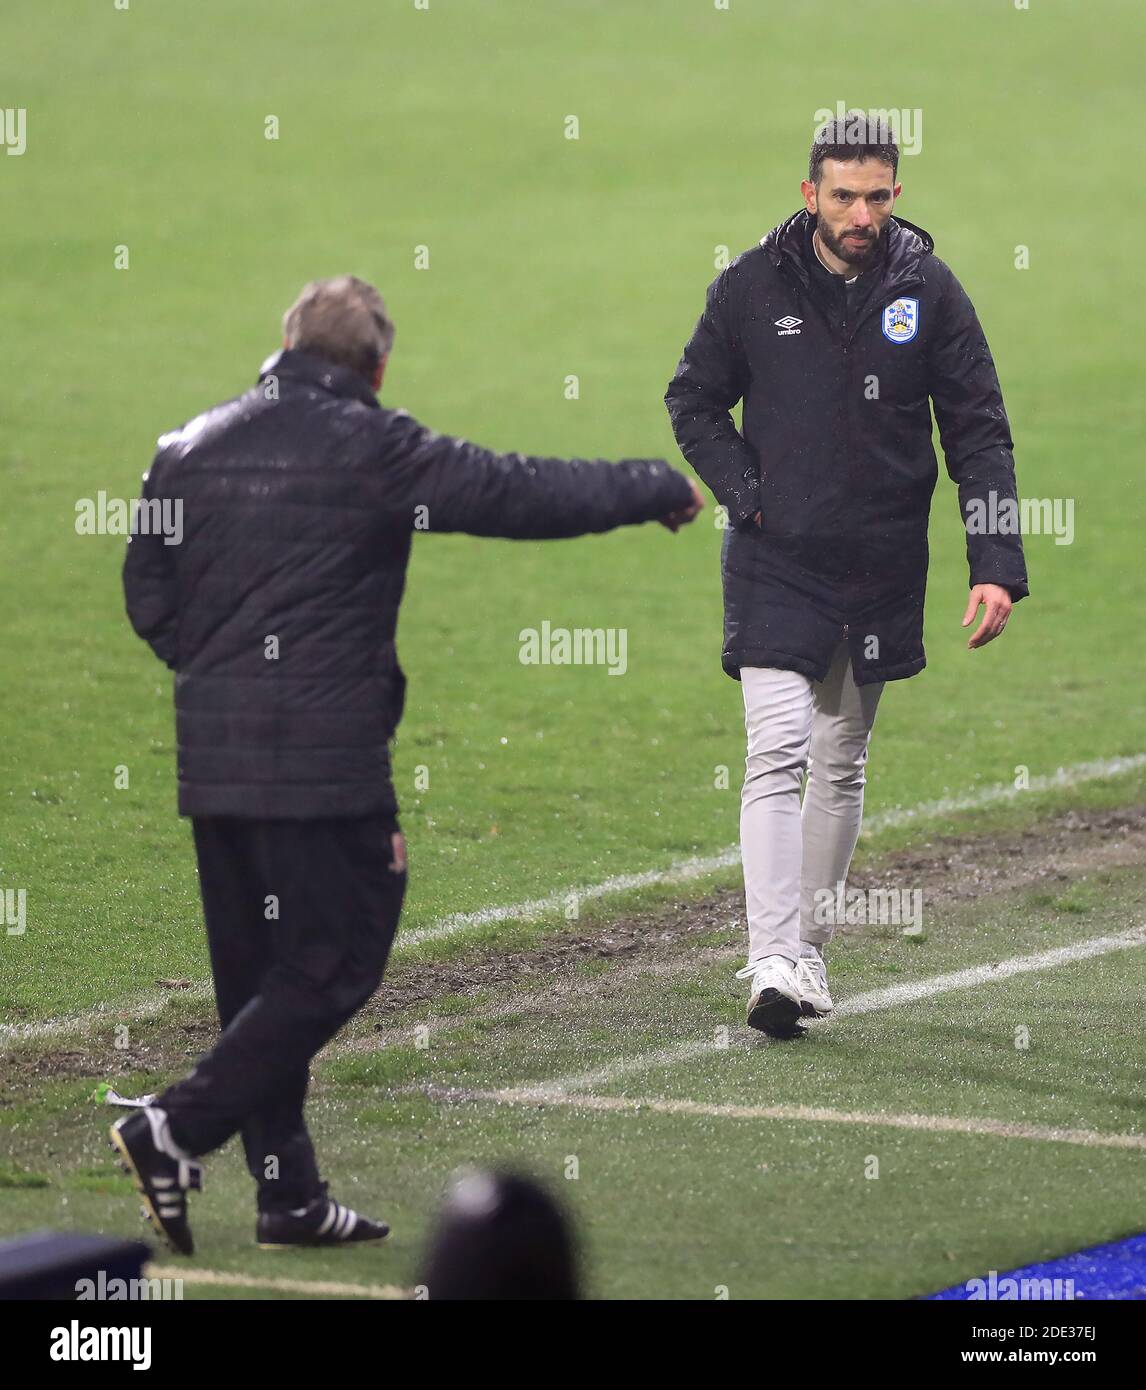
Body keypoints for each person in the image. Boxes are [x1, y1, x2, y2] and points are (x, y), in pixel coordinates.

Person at [113, 275, 702, 1254]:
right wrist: (650, 485)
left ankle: (288, 1196)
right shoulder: (380, 448)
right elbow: (520, 492)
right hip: (325, 761)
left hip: (214, 760)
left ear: (285, 346)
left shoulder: (186, 446)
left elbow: (148, 593)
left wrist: (224, 679)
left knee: (262, 979)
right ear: (377, 366)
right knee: (337, 957)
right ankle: (174, 1128)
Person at [665, 112, 1028, 1037]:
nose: (859, 213)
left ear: (895, 196)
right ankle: (773, 958)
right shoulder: (750, 286)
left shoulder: (930, 291)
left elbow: (978, 429)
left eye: (875, 197)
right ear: (809, 194)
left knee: (841, 757)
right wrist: (747, 493)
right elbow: (694, 399)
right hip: (777, 557)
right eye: (842, 196)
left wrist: (997, 565)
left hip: (881, 561)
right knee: (777, 748)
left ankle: (807, 949)